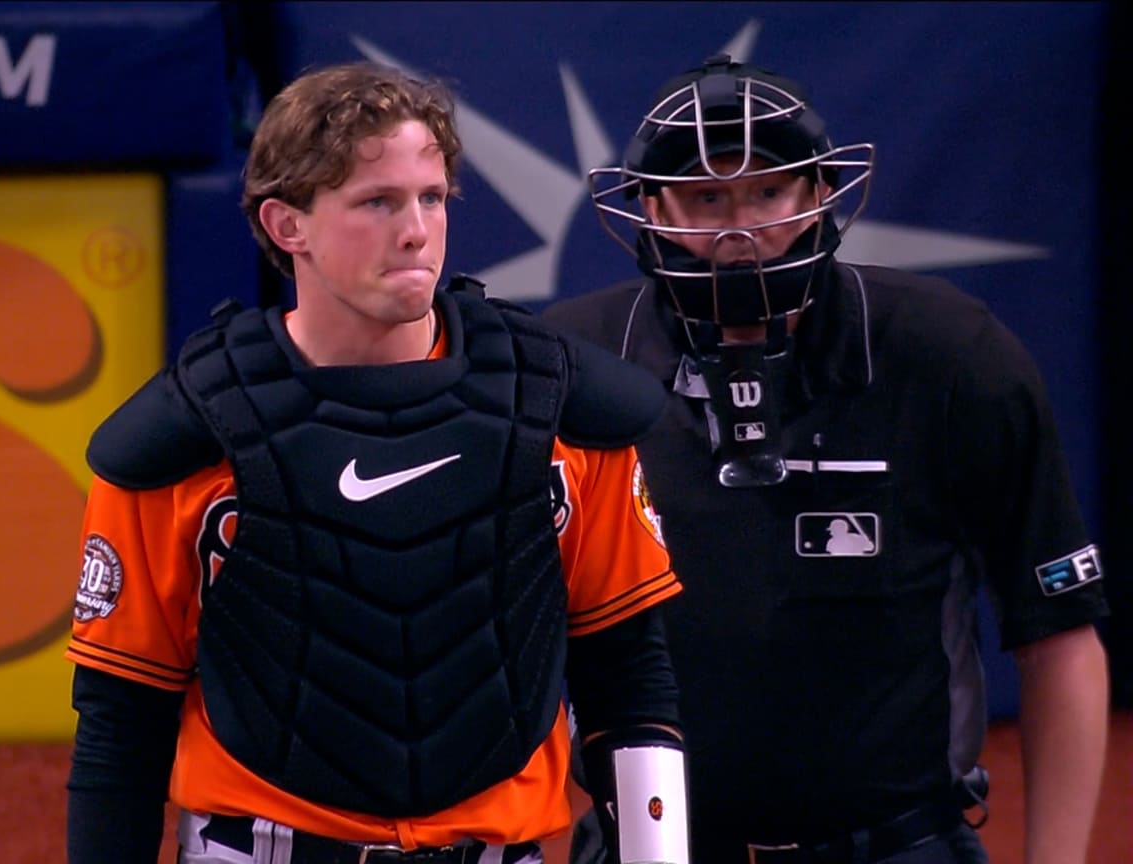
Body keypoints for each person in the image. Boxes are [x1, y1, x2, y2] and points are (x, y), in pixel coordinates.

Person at [64, 60, 693, 864]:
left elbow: (629, 678)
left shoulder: (557, 411)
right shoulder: (190, 440)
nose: (417, 230)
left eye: (432, 198)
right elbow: (122, 722)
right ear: (288, 226)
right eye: (377, 202)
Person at [543, 54, 1111, 864]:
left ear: (817, 195)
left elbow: (1058, 633)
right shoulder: (574, 366)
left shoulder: (949, 355)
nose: (740, 233)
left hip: (898, 845)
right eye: (706, 198)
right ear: (651, 207)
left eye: (768, 191)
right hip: (650, 846)